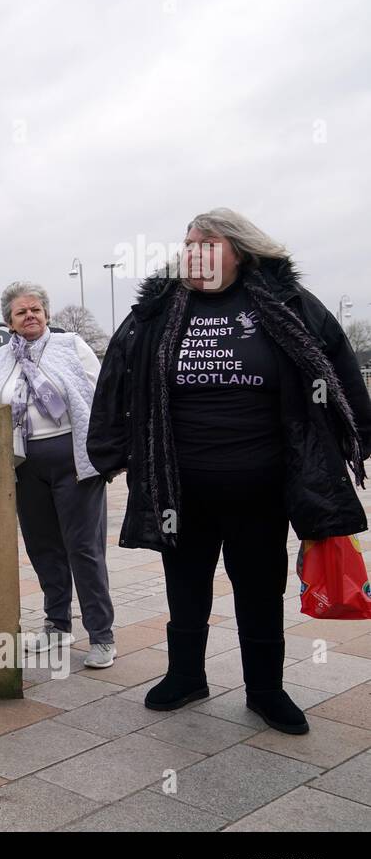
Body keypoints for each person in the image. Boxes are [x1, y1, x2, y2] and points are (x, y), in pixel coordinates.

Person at [89, 208, 371, 733]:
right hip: (179, 485)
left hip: (261, 486)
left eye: (208, 244)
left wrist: (357, 432)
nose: (194, 252)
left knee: (261, 587)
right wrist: (107, 448)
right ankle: (186, 676)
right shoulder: (158, 310)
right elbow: (116, 376)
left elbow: (338, 368)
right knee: (185, 583)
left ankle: (266, 690)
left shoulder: (287, 305)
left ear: (240, 251)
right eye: (188, 243)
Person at [0, 281, 116, 669]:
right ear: (9, 321)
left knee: (84, 549)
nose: (31, 316)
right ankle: (57, 625)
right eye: (22, 312)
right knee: (43, 548)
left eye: (36, 309)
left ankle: (102, 635)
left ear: (46, 313)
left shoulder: (70, 345)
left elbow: (100, 395)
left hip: (74, 461)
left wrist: (110, 451)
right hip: (25, 465)